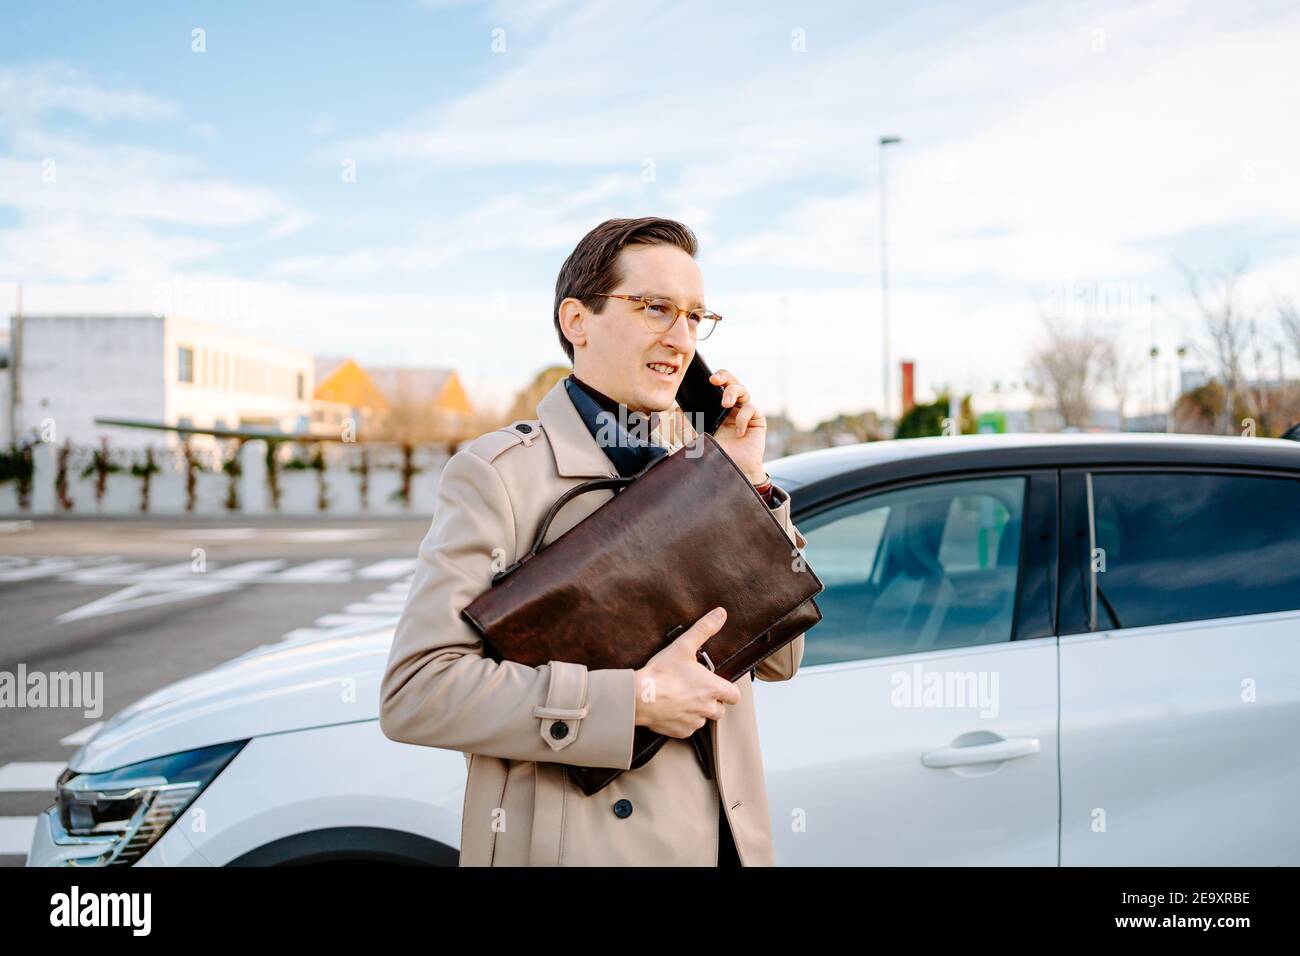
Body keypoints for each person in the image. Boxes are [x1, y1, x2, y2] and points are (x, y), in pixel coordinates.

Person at [378, 216, 809, 866]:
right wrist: (634, 701)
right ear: (577, 320)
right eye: (656, 308)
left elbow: (782, 658)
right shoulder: (499, 475)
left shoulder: (705, 467)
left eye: (696, 316)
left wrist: (746, 481)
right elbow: (417, 694)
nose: (682, 338)